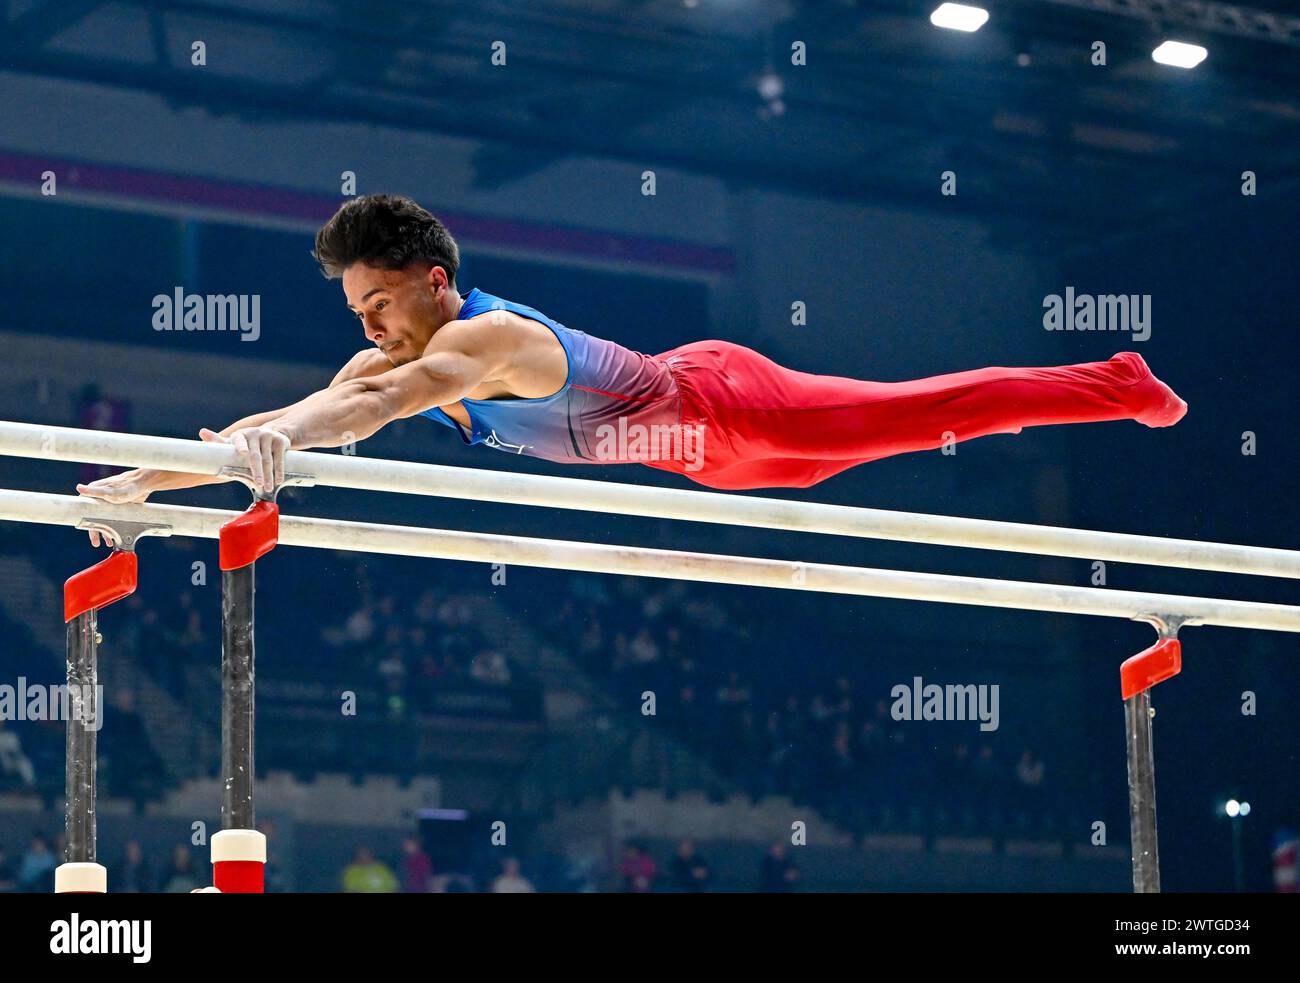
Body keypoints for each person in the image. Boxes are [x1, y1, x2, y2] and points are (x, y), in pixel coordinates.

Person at [73, 194, 1187, 519]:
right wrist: (154, 476)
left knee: (938, 408)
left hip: (734, 405)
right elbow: (303, 420)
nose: (365, 327)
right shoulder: (379, 362)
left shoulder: (479, 342)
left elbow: (373, 407)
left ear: (432, 281)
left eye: (377, 300)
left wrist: (278, 434)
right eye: (355, 309)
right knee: (884, 445)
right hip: (704, 467)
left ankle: (1115, 382)